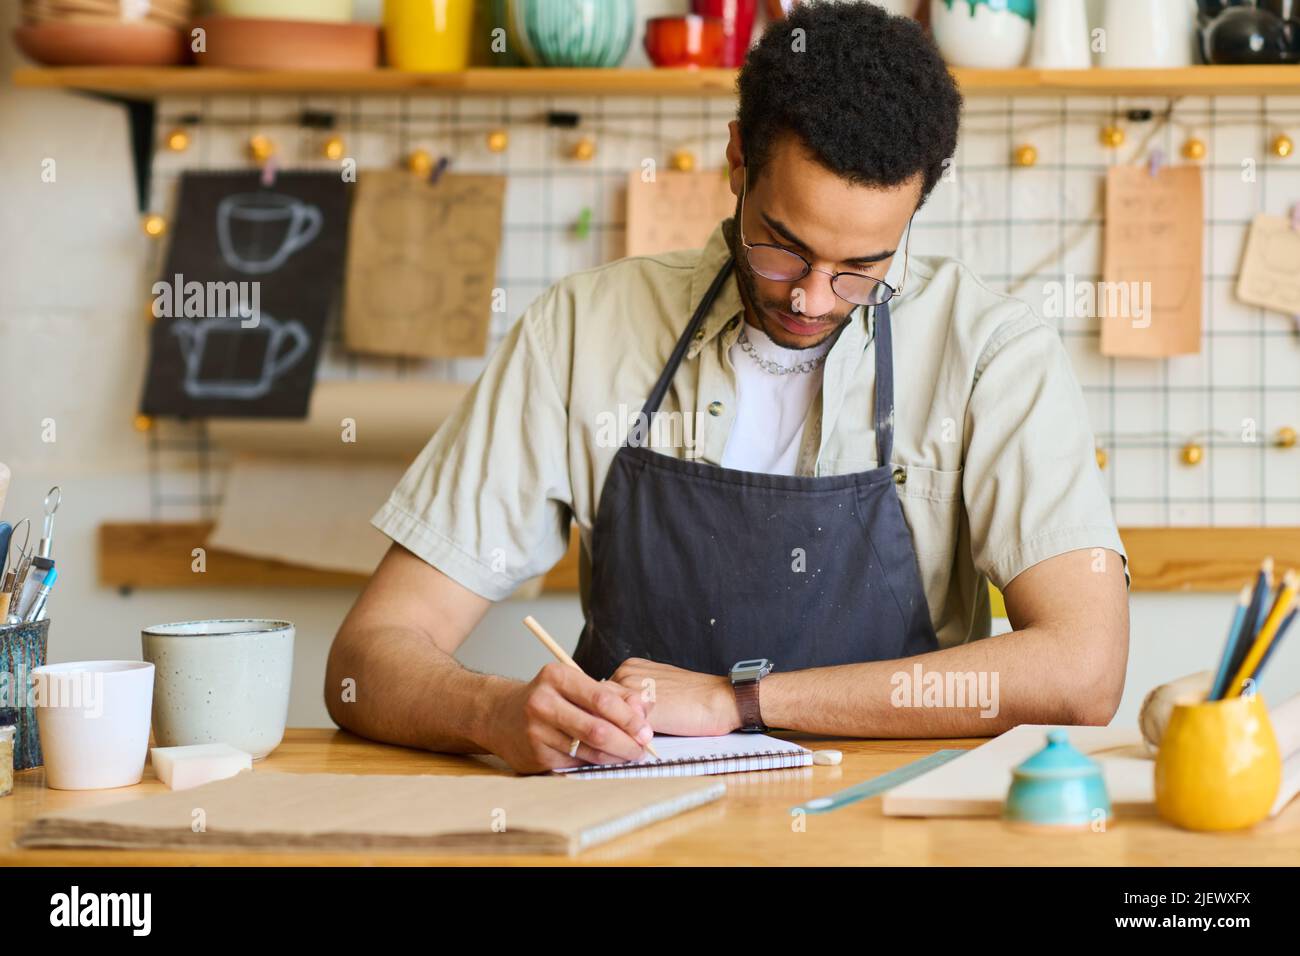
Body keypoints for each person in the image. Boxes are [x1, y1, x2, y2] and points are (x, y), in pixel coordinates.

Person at [325, 1, 1128, 773]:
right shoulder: (581, 331)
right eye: (784, 248)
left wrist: (740, 701)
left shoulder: (991, 351)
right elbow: (367, 659)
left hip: (890, 829)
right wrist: (492, 714)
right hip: (627, 821)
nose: (812, 298)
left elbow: (1082, 670)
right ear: (738, 158)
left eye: (861, 269)